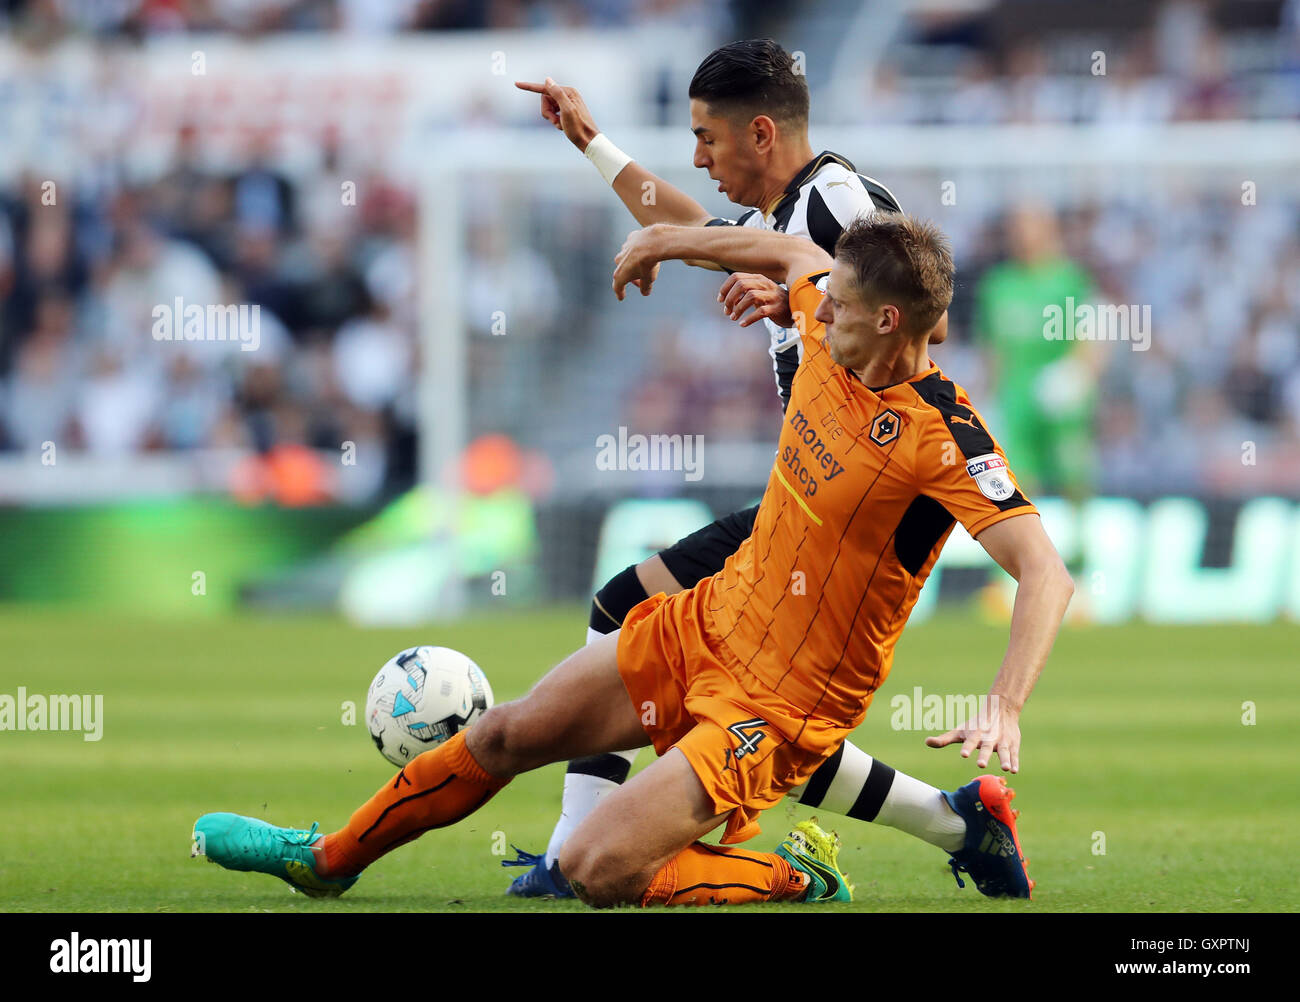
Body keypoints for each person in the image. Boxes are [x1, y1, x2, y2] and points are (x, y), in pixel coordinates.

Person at [192, 213, 1073, 907]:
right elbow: (787, 250)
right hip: (710, 621)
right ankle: (328, 862)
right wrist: (668, 240)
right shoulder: (823, 315)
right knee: (500, 733)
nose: (817, 304)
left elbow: (1045, 571)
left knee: (593, 867)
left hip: (780, 704)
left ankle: (795, 879)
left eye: (838, 302)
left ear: (889, 320)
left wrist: (1006, 701)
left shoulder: (941, 438)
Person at [506, 39, 989, 900]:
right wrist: (592, 142)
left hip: (850, 507)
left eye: (706, 138)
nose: (698, 157)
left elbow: (931, 321)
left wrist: (809, 295)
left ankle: (573, 847)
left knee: (635, 612)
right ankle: (961, 823)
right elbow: (690, 232)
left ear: (760, 134)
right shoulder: (792, 211)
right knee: (756, 709)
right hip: (809, 496)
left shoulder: (836, 202)